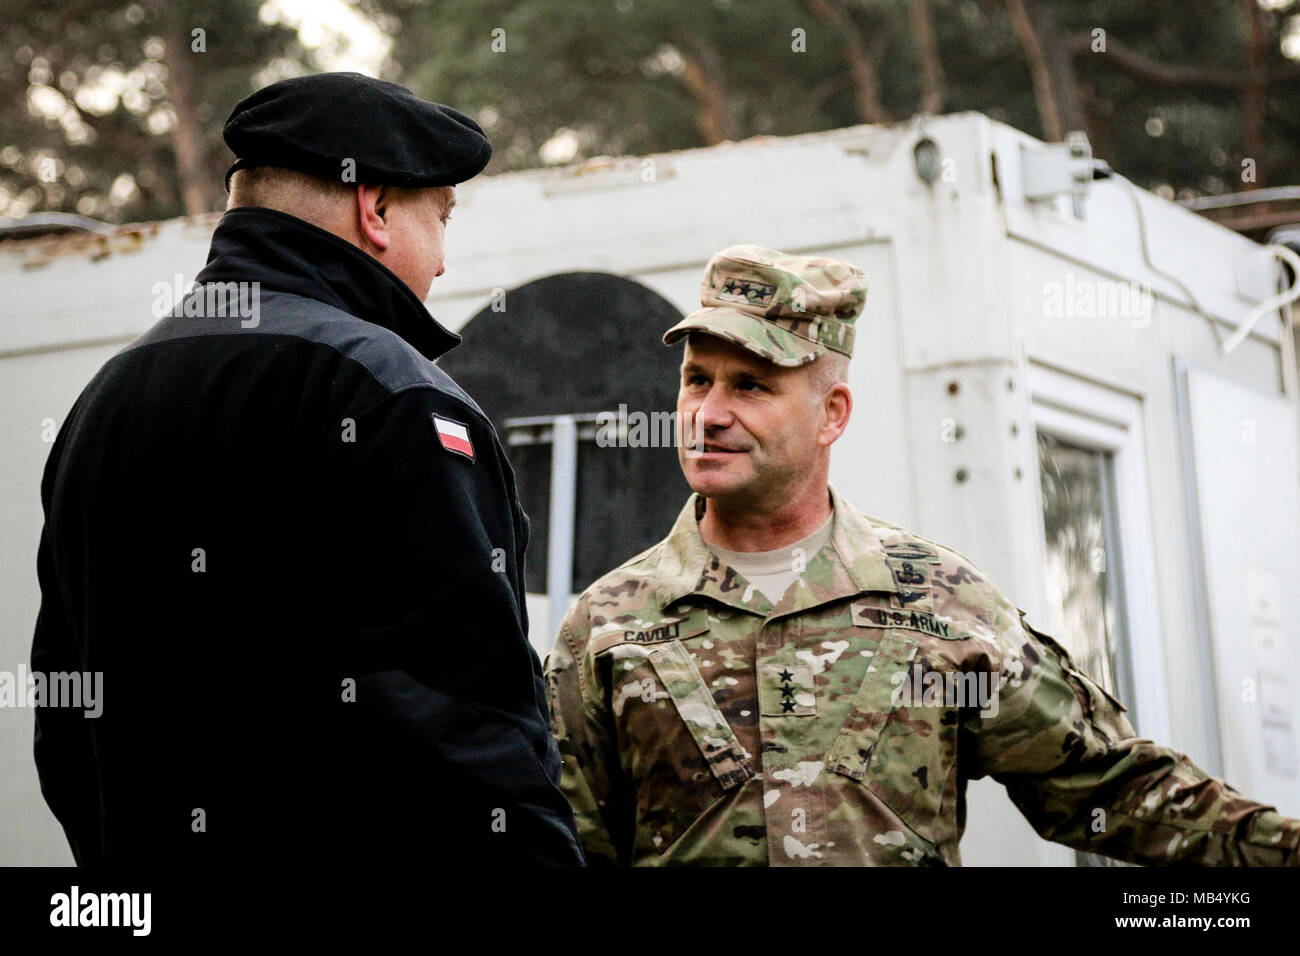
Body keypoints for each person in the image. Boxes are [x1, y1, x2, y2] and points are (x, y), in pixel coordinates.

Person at [545, 244, 1300, 866]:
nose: (709, 415)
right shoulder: (610, 624)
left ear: (830, 414)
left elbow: (1105, 784)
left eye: (751, 386)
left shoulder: (938, 604)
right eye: (696, 381)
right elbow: (565, 847)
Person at [31, 72, 583, 867]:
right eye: (441, 217)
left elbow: (64, 708)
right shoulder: (389, 391)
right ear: (377, 208)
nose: (446, 262)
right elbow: (467, 711)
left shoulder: (105, 401)